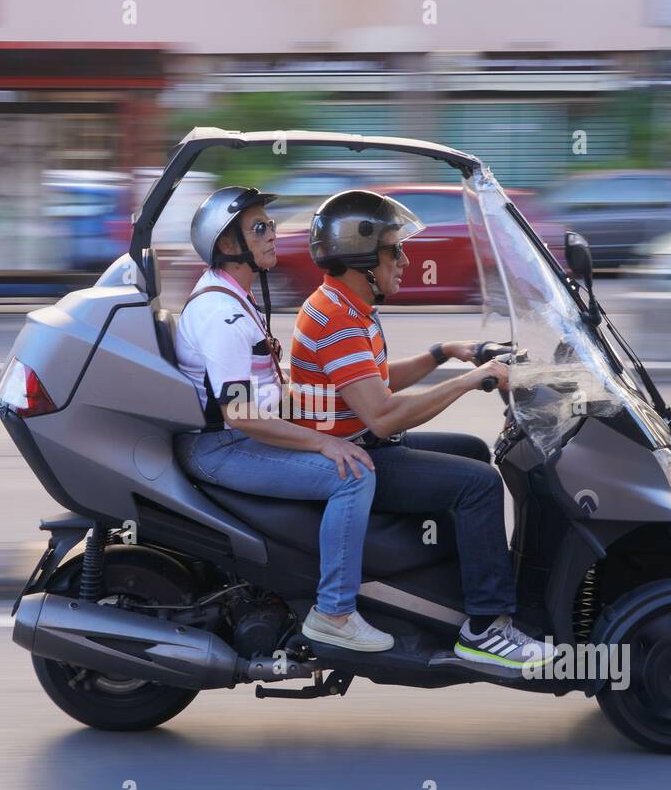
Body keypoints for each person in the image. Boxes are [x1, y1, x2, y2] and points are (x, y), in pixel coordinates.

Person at [289, 189, 553, 672]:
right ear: (361, 258)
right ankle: (485, 629)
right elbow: (383, 415)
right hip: (358, 455)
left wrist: (443, 352)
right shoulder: (336, 320)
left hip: (366, 443)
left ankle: (451, 587)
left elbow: (374, 381)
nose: (406, 261)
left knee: (473, 451)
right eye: (395, 250)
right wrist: (470, 379)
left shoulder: (346, 305)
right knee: (479, 483)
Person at [172, 185, 393, 652]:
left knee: (362, 445)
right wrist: (323, 443)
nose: (273, 234)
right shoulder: (221, 313)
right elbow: (240, 413)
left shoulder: (236, 298)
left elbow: (267, 391)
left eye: (270, 225)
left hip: (244, 435)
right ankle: (334, 612)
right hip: (225, 446)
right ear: (229, 245)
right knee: (351, 475)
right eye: (259, 228)